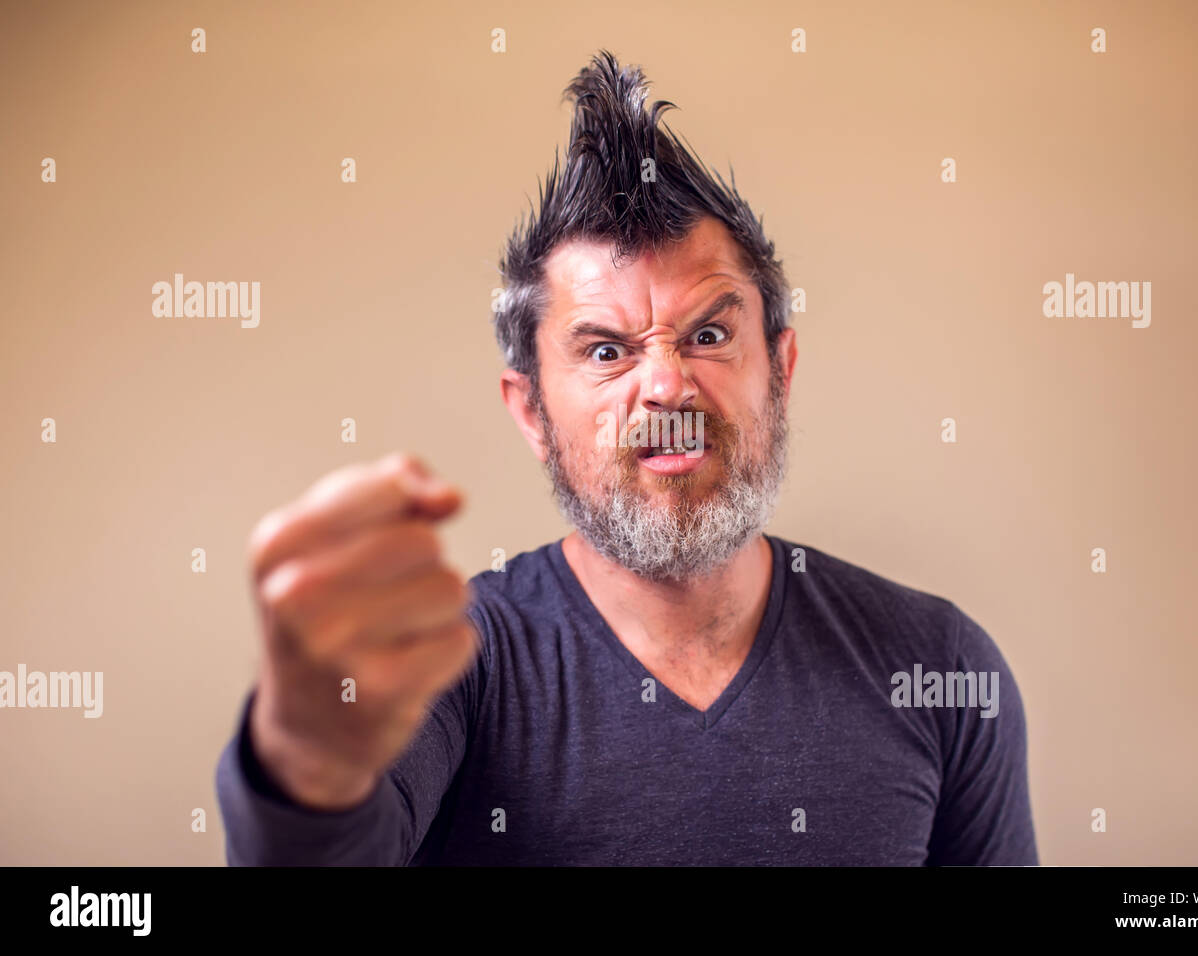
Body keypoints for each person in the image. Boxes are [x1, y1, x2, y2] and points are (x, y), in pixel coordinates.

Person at [215, 49, 1038, 866]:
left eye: (709, 335)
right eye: (607, 352)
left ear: (780, 372)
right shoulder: (452, 661)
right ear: (531, 410)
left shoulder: (941, 669)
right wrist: (303, 755)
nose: (667, 386)